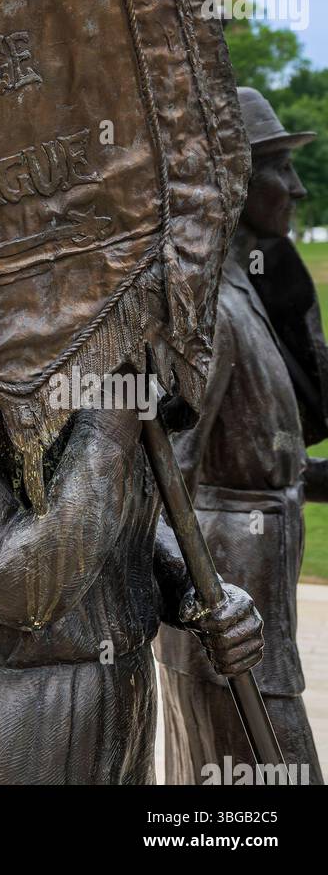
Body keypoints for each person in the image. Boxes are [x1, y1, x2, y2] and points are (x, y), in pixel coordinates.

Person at [0, 370, 264, 785]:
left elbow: (120, 517)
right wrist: (113, 413)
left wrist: (193, 589)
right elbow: (20, 587)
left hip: (119, 705)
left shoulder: (91, 366)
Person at [157, 87, 327, 784]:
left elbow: (259, 462)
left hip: (256, 614)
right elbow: (162, 480)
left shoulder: (245, 294)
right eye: (276, 168)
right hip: (231, 613)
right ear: (231, 182)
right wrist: (207, 599)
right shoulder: (214, 317)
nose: (294, 186)